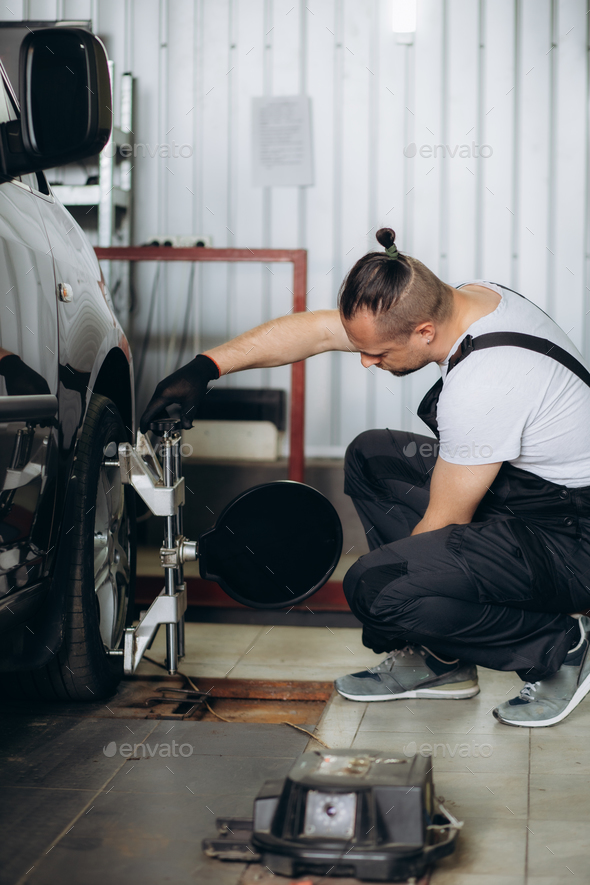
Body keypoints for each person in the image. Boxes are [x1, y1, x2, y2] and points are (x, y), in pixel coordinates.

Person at [141, 227, 590, 728]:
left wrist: (392, 606)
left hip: (573, 539)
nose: (366, 361)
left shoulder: (487, 380)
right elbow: (315, 331)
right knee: (373, 457)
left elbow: (442, 526)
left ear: (423, 331)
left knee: (379, 588)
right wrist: (206, 367)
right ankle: (443, 663)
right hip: (536, 496)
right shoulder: (468, 300)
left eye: (378, 354)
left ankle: (559, 648)